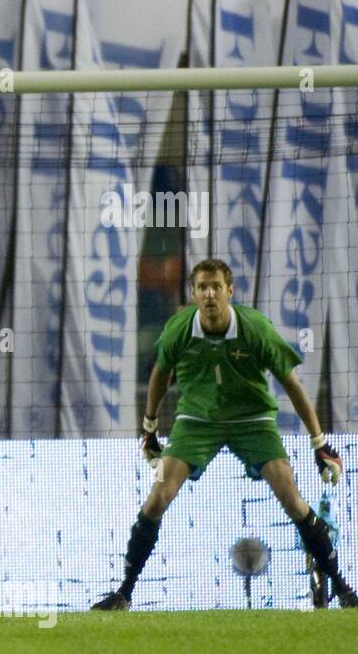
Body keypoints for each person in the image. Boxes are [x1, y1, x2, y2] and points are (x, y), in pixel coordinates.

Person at [92, 258, 355, 610]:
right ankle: (123, 593)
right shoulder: (178, 328)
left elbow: (292, 384)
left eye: (216, 287)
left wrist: (319, 443)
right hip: (197, 419)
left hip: (253, 419)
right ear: (194, 293)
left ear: (229, 291)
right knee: (157, 498)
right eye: (202, 287)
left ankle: (341, 588)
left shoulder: (255, 328)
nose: (210, 294)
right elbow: (159, 373)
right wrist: (150, 429)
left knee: (292, 499)